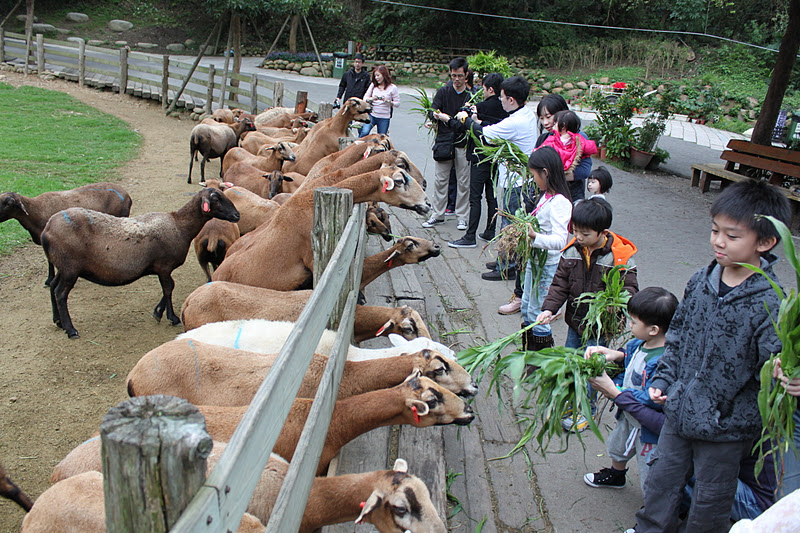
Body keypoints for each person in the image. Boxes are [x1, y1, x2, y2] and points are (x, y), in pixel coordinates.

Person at [628, 179, 792, 533]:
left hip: (726, 427)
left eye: (732, 236)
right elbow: (679, 337)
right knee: (660, 483)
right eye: (715, 230)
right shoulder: (700, 281)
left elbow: (774, 362)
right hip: (680, 411)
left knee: (711, 499)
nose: (718, 241)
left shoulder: (771, 302)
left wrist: (786, 375)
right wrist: (662, 379)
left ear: (765, 242)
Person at [581, 287, 678, 491]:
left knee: (649, 467)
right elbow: (630, 356)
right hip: (628, 415)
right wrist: (613, 354)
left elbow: (650, 399)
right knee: (618, 446)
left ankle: (652, 509)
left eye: (633, 322)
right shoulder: (640, 343)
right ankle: (617, 474)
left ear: (653, 329)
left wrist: (616, 390)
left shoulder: (663, 362)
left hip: (647, 428)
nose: (630, 325)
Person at [536, 197, 638, 349]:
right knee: (570, 357)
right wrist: (549, 309)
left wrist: (615, 304)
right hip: (575, 321)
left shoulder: (619, 258)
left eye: (585, 234)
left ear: (603, 233)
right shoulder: (572, 251)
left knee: (591, 363)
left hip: (600, 326)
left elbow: (630, 289)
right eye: (575, 230)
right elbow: (560, 283)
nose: (578, 237)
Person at [443, 72, 508, 248]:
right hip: (496, 157)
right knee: (491, 196)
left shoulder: (480, 107)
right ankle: (489, 231)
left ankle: (470, 236)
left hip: (480, 157)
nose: (483, 91)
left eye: (484, 88)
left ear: (490, 89)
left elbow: (461, 124)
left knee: (475, 197)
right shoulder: (506, 110)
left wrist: (447, 118)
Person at [519, 146, 572, 352]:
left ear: (545, 173)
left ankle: (540, 359)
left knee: (539, 313)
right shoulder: (546, 196)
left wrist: (534, 236)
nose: (534, 180)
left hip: (548, 264)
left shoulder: (560, 202)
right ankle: (528, 353)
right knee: (526, 306)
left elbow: (560, 240)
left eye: (534, 175)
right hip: (535, 260)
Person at [423, 57, 473, 231]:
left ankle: (462, 216)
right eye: (453, 75)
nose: (457, 79)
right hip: (444, 141)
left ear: (466, 75)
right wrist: (435, 117)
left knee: (463, 181)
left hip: (463, 143)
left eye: (460, 75)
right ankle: (437, 214)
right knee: (440, 180)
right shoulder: (443, 92)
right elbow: (433, 110)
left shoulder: (471, 96)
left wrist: (446, 118)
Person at [536, 94, 592, 201]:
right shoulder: (543, 139)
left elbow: (585, 170)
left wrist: (555, 178)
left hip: (571, 196)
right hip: (547, 197)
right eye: (541, 118)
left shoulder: (579, 138)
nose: (545, 123)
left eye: (548, 117)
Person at [537, 110, 598, 181]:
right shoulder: (579, 139)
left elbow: (541, 151)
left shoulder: (553, 139)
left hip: (556, 171)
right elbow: (590, 147)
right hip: (568, 168)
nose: (553, 125)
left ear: (563, 126)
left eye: (555, 123)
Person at [359, 65, 399, 137]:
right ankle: (358, 146)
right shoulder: (373, 85)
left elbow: (397, 103)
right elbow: (365, 98)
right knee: (365, 132)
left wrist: (389, 102)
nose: (376, 78)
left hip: (384, 117)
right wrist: (371, 99)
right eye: (375, 76)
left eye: (378, 75)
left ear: (384, 75)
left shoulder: (393, 88)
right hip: (372, 114)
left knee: (381, 137)